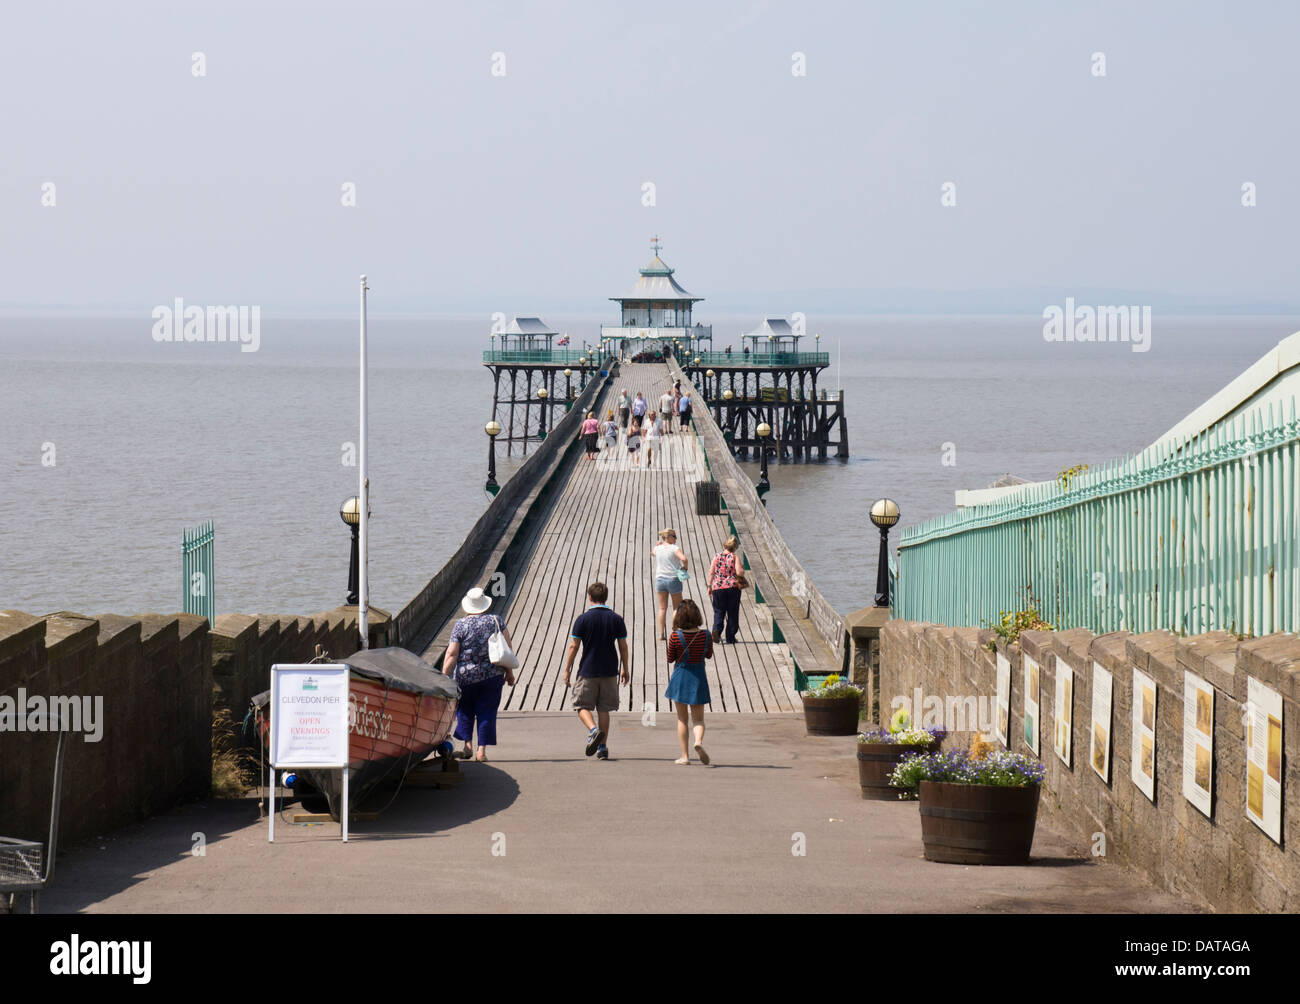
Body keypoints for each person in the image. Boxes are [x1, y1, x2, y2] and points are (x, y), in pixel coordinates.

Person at [442, 587, 515, 762]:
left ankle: (467, 746)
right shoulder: (496, 621)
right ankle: (481, 751)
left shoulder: (460, 625)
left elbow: (452, 653)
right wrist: (509, 672)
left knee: (465, 710)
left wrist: (444, 675)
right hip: (492, 676)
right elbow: (507, 649)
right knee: (487, 711)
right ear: (485, 604)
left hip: (465, 678)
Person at [563, 581, 629, 760]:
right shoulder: (616, 618)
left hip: (588, 669)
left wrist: (567, 669)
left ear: (590, 597)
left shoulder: (583, 619)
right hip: (609, 670)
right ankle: (602, 747)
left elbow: (574, 646)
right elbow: (623, 646)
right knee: (604, 709)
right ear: (605, 597)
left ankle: (593, 730)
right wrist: (625, 669)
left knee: (581, 705)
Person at [664, 599, 713, 765]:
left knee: (682, 719)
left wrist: (673, 626)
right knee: (698, 719)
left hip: (681, 677)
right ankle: (698, 741)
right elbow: (708, 655)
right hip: (698, 677)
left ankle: (685, 756)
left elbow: (670, 658)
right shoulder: (706, 635)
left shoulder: (675, 636)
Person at [652, 527, 688, 640]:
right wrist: (684, 568)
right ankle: (675, 630)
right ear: (668, 537)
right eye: (674, 536)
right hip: (673, 579)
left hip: (660, 579)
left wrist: (657, 545)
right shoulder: (674, 548)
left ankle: (661, 634)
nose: (676, 539)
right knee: (676, 607)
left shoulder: (657, 549)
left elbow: (652, 553)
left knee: (662, 608)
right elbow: (684, 559)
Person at [707, 535, 742, 644]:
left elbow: (711, 572)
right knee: (732, 612)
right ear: (735, 547)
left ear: (725, 544)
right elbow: (739, 572)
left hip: (718, 587)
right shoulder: (734, 557)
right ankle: (730, 637)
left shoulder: (717, 556)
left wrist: (709, 586)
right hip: (732, 587)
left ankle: (716, 630)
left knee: (719, 611)